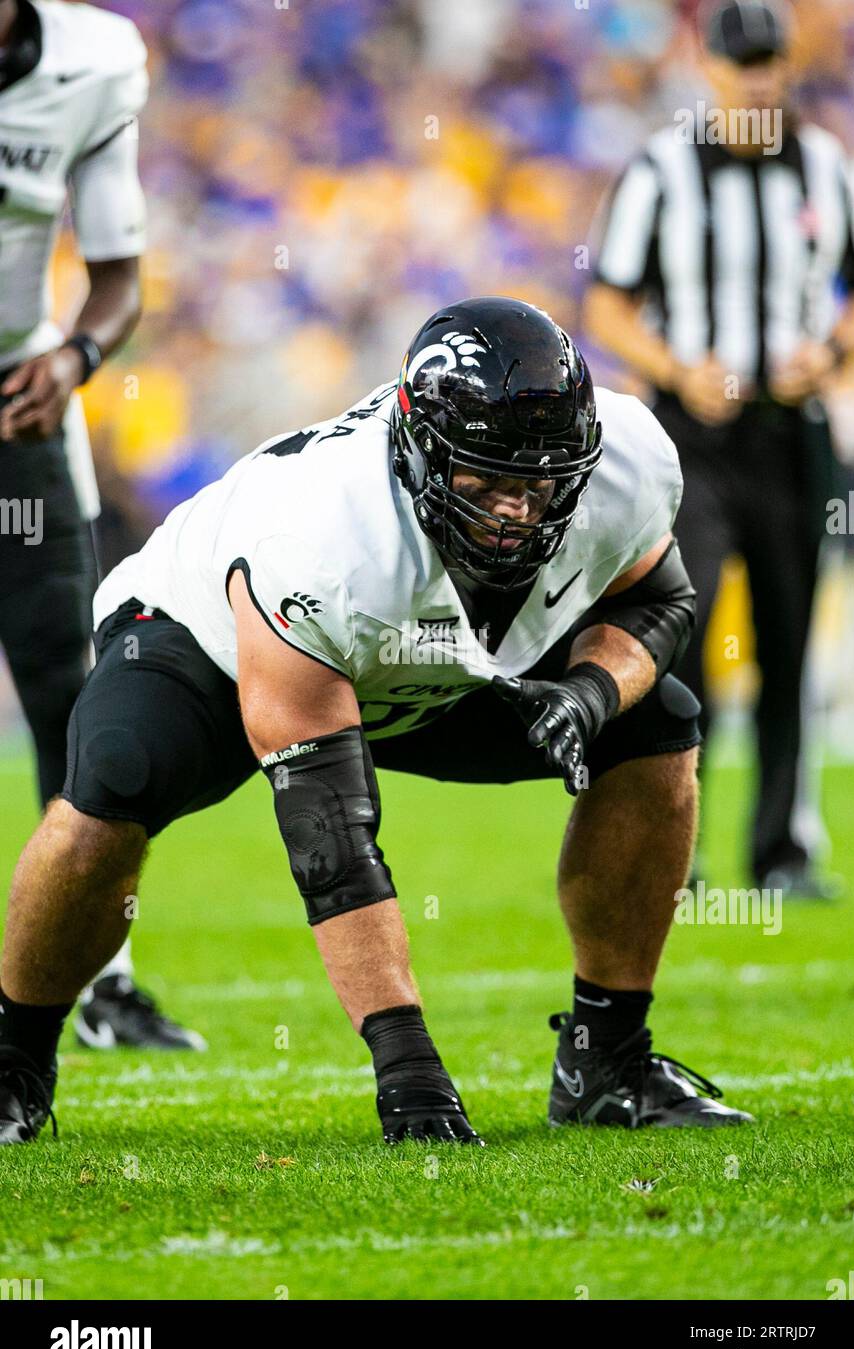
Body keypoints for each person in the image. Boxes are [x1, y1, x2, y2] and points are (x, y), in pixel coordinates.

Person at [0, 296, 752, 1146]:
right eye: (490, 478)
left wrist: (591, 694)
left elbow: (660, 598)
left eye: (542, 483)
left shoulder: (626, 458)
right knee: (114, 782)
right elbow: (329, 837)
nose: (517, 510)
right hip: (211, 636)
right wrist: (407, 1064)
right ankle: (14, 1059)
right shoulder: (324, 536)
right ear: (421, 453)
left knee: (657, 724)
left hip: (429, 655)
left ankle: (607, 1060)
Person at [584, 0, 854, 896]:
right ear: (708, 67)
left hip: (790, 437)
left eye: (769, 60)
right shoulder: (663, 171)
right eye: (740, 61)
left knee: (788, 644)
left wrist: (826, 353)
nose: (756, 77)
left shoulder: (828, 168)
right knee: (685, 634)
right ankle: (676, 850)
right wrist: (678, 365)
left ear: (786, 66)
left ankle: (782, 851)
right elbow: (607, 307)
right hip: (690, 441)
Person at [0, 0, 203, 1048]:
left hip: (15, 404)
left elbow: (119, 280)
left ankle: (100, 980)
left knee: (74, 701)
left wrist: (73, 359)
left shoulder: (92, 62)